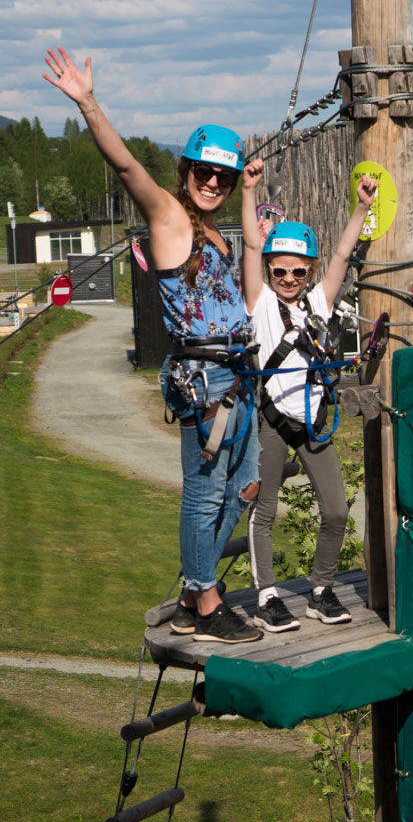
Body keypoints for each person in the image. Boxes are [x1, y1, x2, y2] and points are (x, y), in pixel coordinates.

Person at [43, 46, 263, 644]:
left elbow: (248, 299)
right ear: (186, 172)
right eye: (204, 173)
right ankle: (207, 602)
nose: (213, 182)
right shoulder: (169, 217)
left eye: (223, 175)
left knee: (246, 486)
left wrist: (248, 206)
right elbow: (125, 168)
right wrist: (88, 103)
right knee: (205, 491)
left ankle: (196, 589)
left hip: (238, 372)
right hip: (206, 379)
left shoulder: (213, 232)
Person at [240, 158, 377, 631]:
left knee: (337, 510)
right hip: (273, 420)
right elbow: (253, 245)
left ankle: (321, 590)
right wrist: (247, 192)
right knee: (265, 511)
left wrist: (361, 209)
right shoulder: (259, 304)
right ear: (269, 270)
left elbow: (341, 257)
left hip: (314, 417)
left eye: (299, 273)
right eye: (281, 272)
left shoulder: (318, 303)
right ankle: (267, 596)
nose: (290, 280)